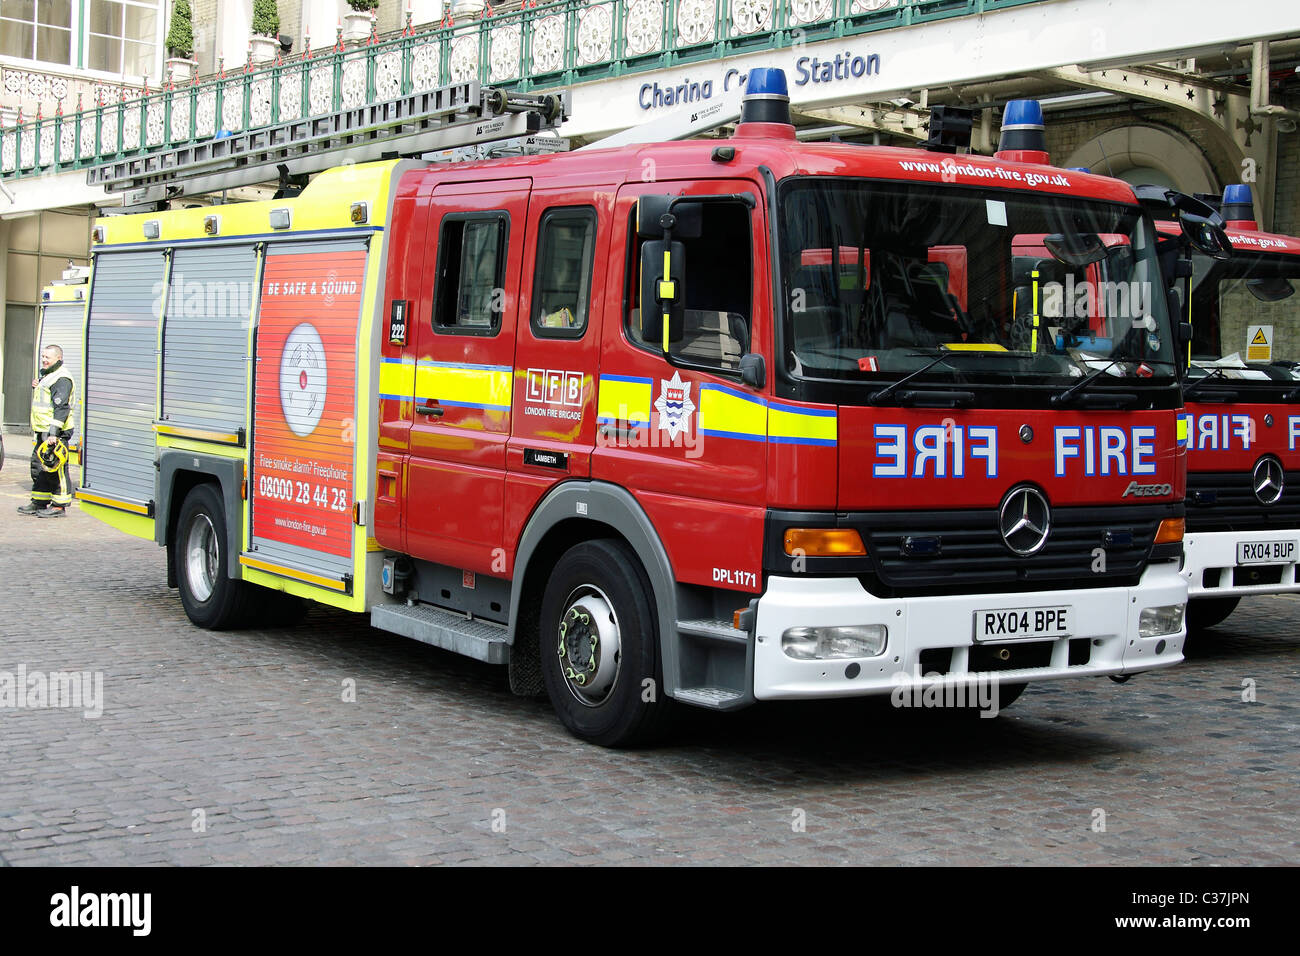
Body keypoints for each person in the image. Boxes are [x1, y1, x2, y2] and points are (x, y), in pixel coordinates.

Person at [18, 344, 75, 518]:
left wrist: (53, 434)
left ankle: (59, 506)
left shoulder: (62, 378)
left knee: (57, 468)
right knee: (40, 467)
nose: (43, 360)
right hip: (43, 431)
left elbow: (61, 408)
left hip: (54, 433)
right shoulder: (48, 375)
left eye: (47, 357)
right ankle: (39, 501)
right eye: (42, 357)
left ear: (58, 358)